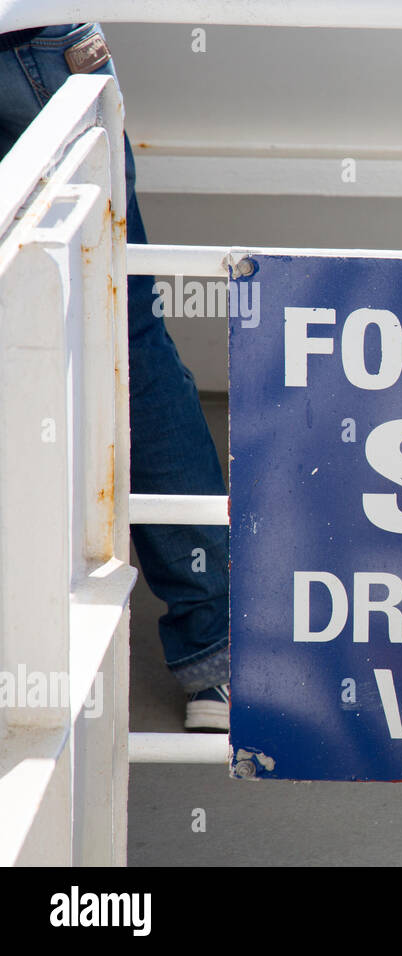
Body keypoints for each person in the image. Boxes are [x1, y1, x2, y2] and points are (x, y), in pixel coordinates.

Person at [0, 23, 231, 731]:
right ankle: (216, 656)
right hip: (36, 46)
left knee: (121, 338)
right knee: (126, 341)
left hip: (36, 48)